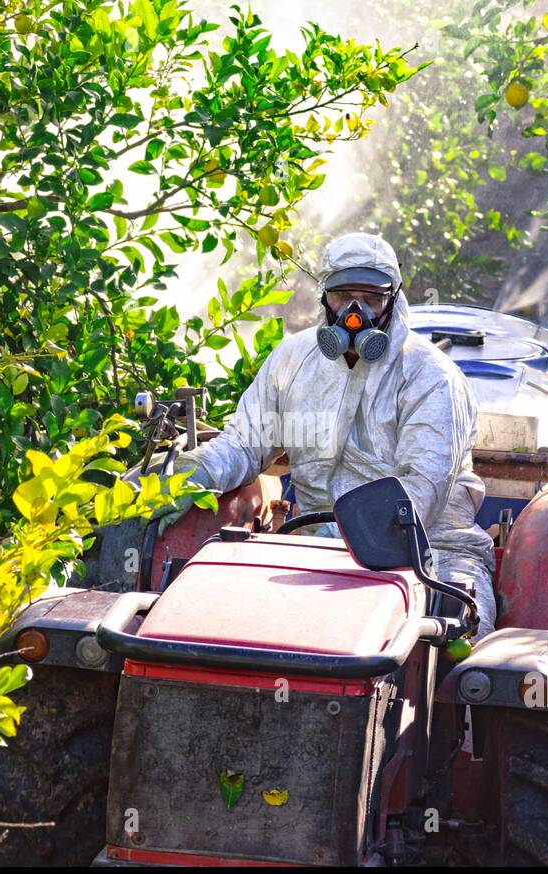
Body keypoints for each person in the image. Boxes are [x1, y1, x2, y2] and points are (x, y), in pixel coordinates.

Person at [159, 232, 497, 635]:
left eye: (371, 299)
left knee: (458, 653)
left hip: (431, 556)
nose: (355, 314)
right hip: (310, 550)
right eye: (343, 296)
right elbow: (244, 444)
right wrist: (184, 479)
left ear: (394, 300)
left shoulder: (431, 378)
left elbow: (419, 494)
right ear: (324, 297)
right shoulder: (292, 360)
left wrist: (339, 534)